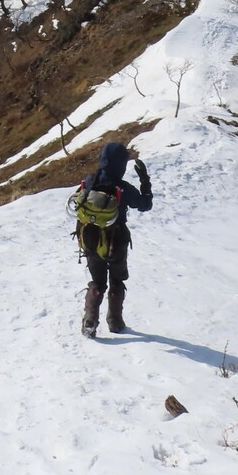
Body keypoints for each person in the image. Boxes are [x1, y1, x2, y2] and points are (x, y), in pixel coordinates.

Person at [78, 141, 153, 337]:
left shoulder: (90, 180)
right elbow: (145, 205)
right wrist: (145, 183)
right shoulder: (123, 188)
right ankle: (115, 322)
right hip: (116, 242)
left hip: (92, 240)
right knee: (117, 280)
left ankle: (90, 321)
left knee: (97, 282)